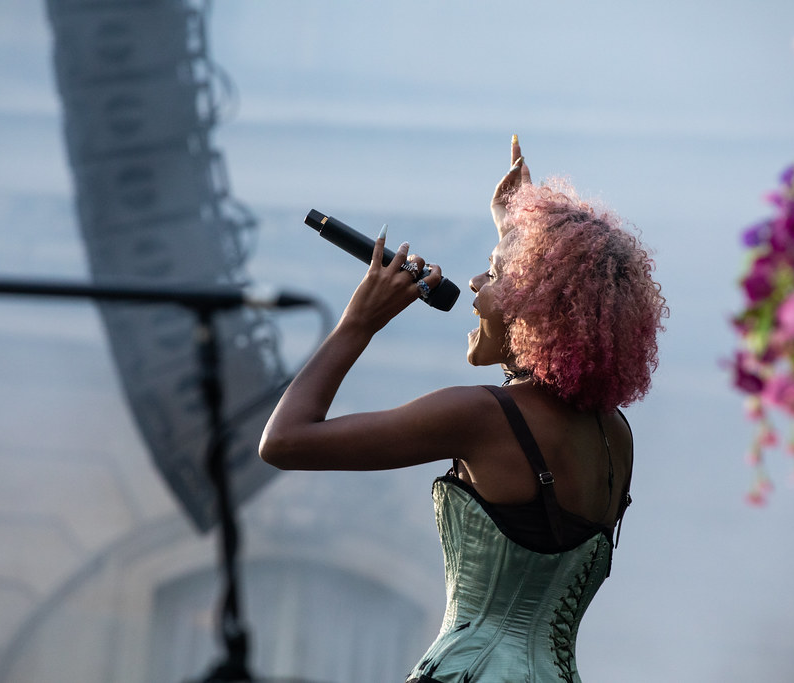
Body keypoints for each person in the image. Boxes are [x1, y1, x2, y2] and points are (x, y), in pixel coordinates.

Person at [259, 135, 667, 682]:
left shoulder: (480, 418)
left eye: (494, 274)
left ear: (534, 308)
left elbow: (284, 441)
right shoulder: (616, 435)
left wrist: (359, 321)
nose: (474, 283)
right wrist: (517, 232)